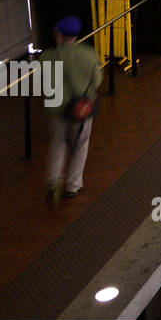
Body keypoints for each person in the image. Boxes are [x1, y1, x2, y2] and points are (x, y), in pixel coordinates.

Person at [42, 16, 102, 207]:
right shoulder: (89, 54)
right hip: (81, 108)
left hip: (57, 109)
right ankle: (73, 185)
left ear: (58, 35)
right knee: (81, 143)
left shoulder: (47, 56)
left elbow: (43, 84)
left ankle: (53, 181)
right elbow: (97, 80)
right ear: (75, 35)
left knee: (58, 143)